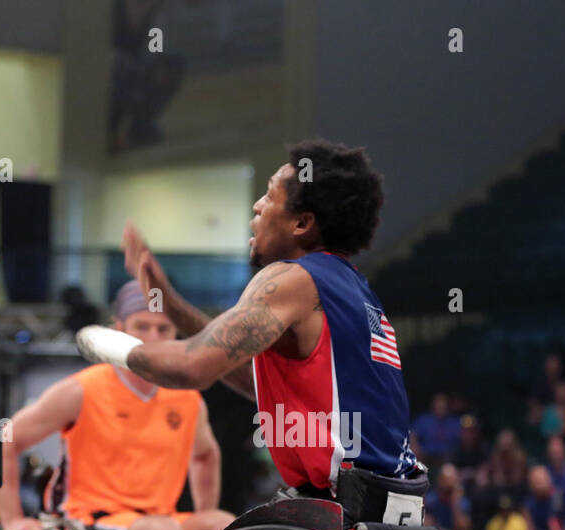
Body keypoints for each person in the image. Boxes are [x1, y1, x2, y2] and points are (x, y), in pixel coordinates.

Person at [79, 140, 418, 499]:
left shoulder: (291, 279)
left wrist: (105, 344)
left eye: (270, 197)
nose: (257, 206)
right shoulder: (352, 288)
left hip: (342, 511)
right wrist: (171, 306)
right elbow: (257, 382)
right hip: (392, 509)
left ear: (302, 223)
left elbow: (190, 368)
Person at [0, 279, 233, 530]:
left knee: (224, 528)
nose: (153, 338)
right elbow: (5, 440)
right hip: (87, 522)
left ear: (176, 333)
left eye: (163, 328)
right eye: (141, 327)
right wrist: (12, 521)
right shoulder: (83, 389)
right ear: (119, 329)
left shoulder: (187, 398)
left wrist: (203, 514)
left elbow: (206, 455)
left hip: (158, 520)